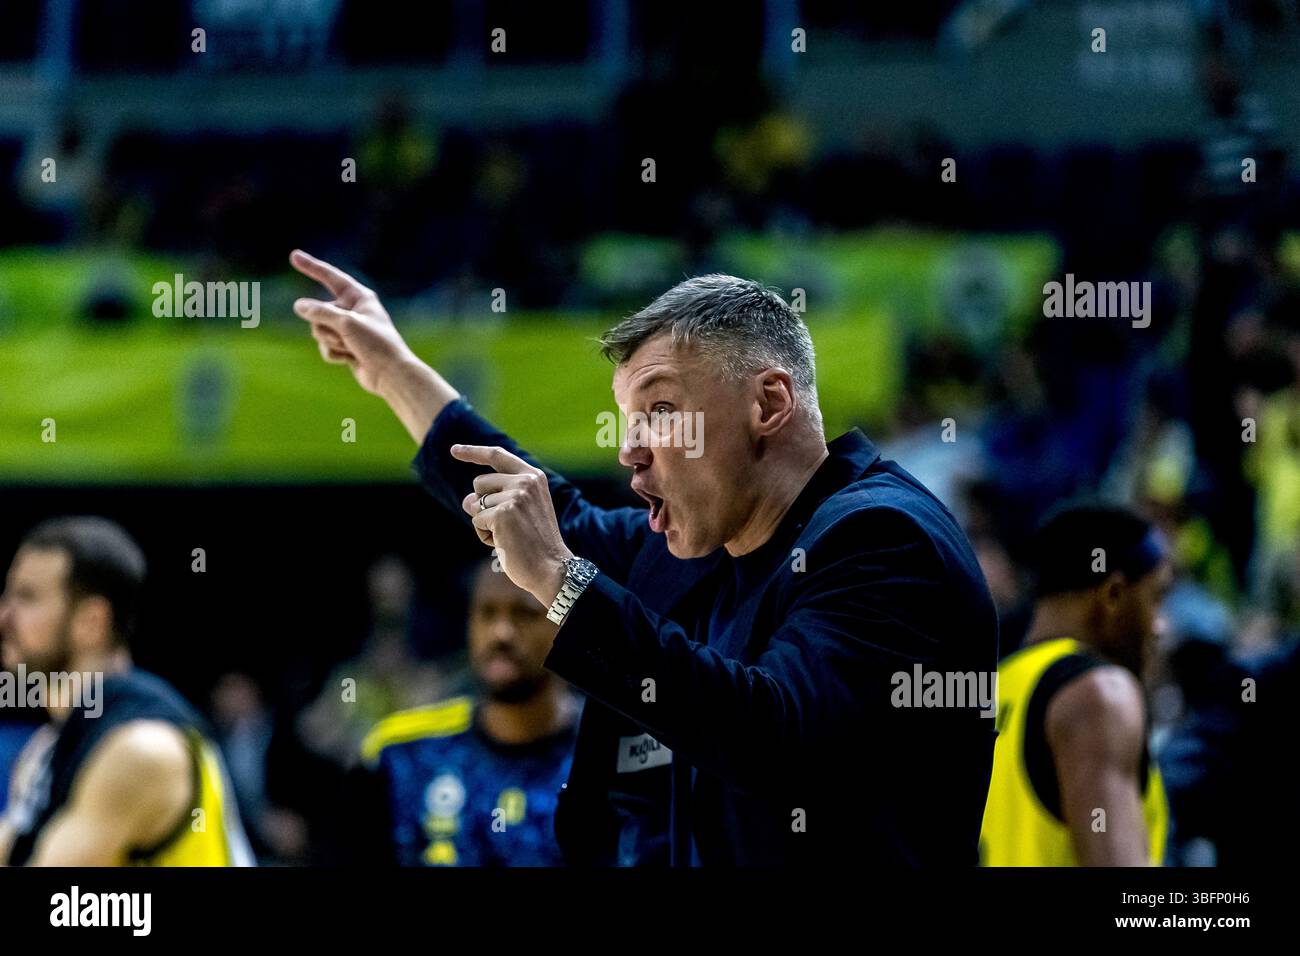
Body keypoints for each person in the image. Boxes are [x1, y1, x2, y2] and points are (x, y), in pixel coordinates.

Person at [291, 250, 998, 866]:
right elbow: (547, 508)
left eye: (659, 412)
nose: (630, 450)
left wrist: (564, 585)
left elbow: (774, 737)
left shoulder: (881, 539)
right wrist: (392, 372)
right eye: (629, 423)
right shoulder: (701, 541)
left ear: (769, 402)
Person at [0, 517, 253, 866]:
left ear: (91, 621)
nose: (5, 617)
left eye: (27, 597)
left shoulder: (141, 748)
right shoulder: (48, 749)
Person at [980, 504, 1174, 866]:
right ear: (1113, 595)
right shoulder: (1101, 694)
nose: (1161, 626)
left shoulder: (992, 686)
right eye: (1157, 598)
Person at [354, 559, 580, 866]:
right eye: (487, 613)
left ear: (568, 625)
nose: (501, 633)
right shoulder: (399, 752)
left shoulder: (610, 753)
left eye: (525, 613)